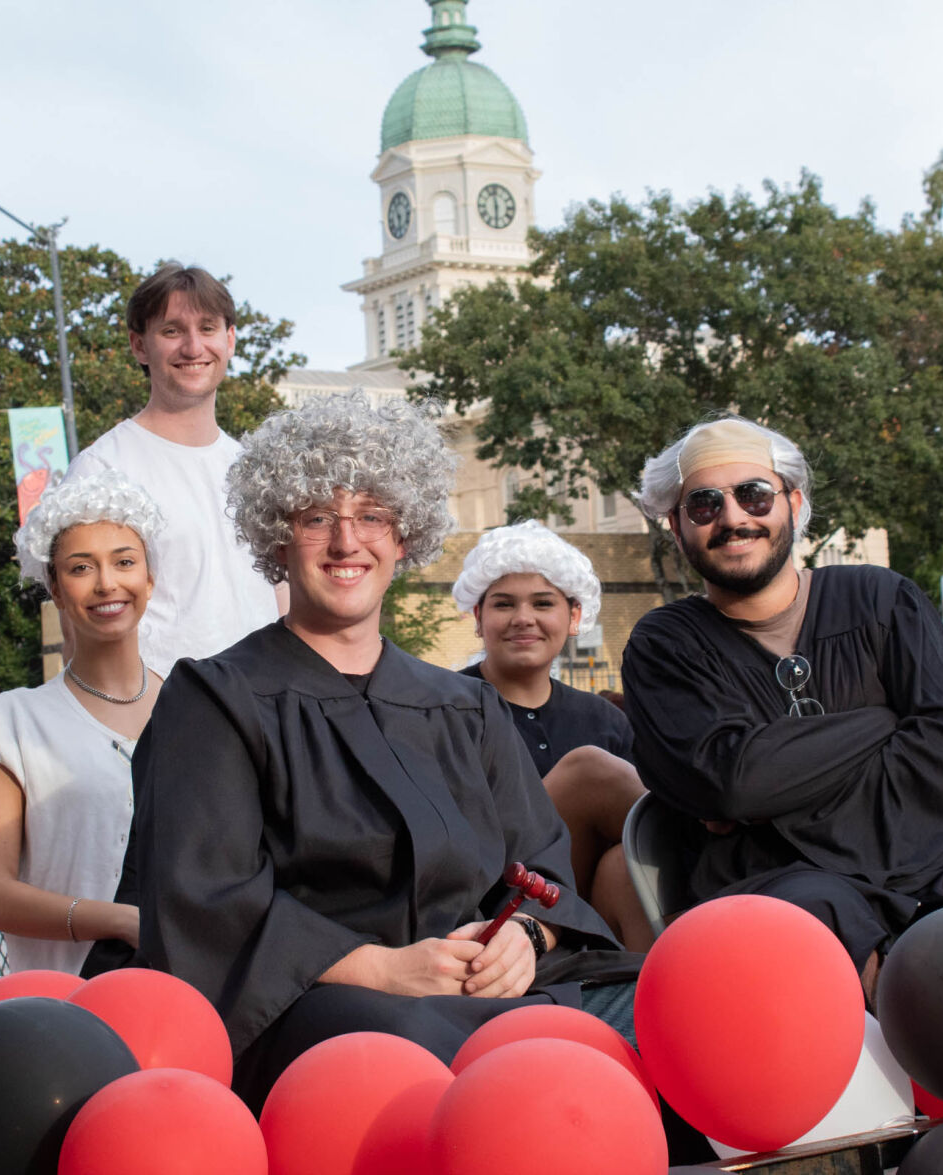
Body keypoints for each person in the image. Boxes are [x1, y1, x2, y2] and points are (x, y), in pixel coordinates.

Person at [86, 393, 638, 1111]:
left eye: (372, 516)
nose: (347, 542)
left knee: (638, 1011)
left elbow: (540, 859)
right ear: (276, 538)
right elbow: (206, 895)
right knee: (421, 1053)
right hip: (318, 1004)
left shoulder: (463, 706)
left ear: (403, 535)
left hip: (482, 986)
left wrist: (528, 935)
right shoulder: (218, 699)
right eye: (317, 518)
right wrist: (378, 967)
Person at [619, 415, 943, 999]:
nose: (733, 518)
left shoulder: (882, 601)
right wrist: (885, 724)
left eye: (753, 494)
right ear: (677, 529)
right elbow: (731, 782)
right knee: (850, 957)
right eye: (703, 505)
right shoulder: (665, 646)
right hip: (780, 883)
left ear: (793, 502)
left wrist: (777, 791)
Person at [0, 473, 164, 973]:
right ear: (53, 586)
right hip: (66, 1009)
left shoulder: (201, 704)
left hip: (187, 995)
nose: (107, 583)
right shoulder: (14, 723)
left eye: (124, 561)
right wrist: (120, 921)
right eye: (81, 567)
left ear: (149, 578)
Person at [61, 263, 281, 677]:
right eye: (172, 331)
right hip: (161, 721)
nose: (194, 347)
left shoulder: (255, 467)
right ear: (139, 346)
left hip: (266, 715)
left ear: (230, 340)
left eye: (208, 328)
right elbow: (79, 631)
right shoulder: (103, 470)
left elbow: (282, 596)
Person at [451, 520, 653, 950]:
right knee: (588, 769)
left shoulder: (605, 720)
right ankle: (729, 883)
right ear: (477, 616)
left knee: (623, 865)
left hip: (586, 907)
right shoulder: (442, 709)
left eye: (543, 603)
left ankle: (652, 992)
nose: (524, 619)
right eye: (504, 604)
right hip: (491, 899)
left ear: (574, 615)